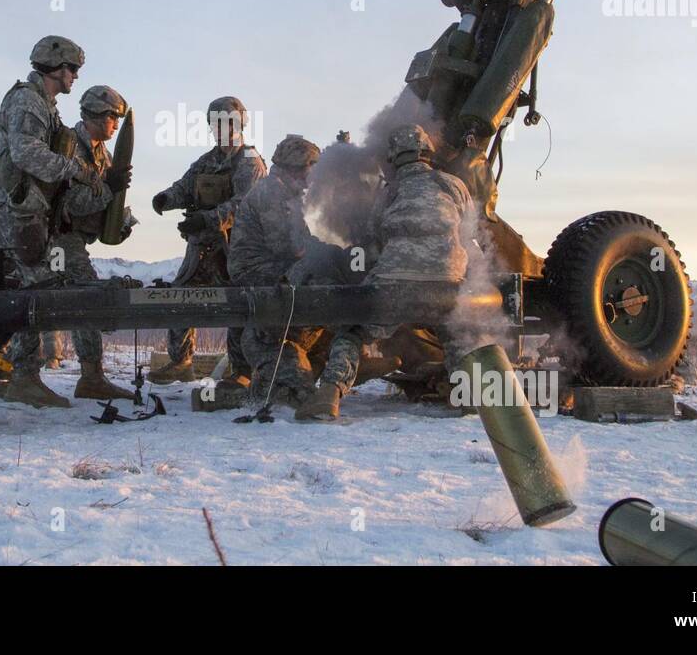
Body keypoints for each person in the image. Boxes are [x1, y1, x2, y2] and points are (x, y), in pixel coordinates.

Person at [295, 124, 472, 420]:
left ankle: (328, 397)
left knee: (353, 331)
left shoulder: (389, 193)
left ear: (394, 158)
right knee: (456, 333)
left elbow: (373, 237)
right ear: (426, 151)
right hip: (448, 282)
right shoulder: (452, 184)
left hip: (394, 285)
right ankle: (468, 397)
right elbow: (468, 230)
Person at [0, 35, 102, 407]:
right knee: (31, 290)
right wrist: (75, 169)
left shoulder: (44, 104)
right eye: (73, 70)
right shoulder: (28, 101)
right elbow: (25, 153)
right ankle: (23, 376)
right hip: (17, 209)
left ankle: (45, 375)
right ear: (57, 68)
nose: (76, 78)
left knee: (42, 284)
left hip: (30, 209)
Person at [8, 84, 136, 400]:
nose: (115, 125)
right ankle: (28, 376)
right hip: (55, 239)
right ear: (95, 114)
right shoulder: (68, 148)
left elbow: (98, 203)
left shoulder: (101, 155)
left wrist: (120, 222)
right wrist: (109, 188)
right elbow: (72, 205)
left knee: (75, 300)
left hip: (73, 240)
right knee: (43, 300)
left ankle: (88, 377)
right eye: (111, 117)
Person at [147, 96, 266, 386]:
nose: (223, 128)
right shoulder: (206, 161)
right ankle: (180, 362)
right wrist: (166, 198)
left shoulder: (250, 160)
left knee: (239, 306)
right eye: (217, 122)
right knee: (180, 297)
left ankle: (242, 372)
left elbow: (246, 204)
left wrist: (208, 219)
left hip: (237, 250)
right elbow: (185, 187)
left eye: (229, 122)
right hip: (203, 248)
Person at [221, 134, 343, 410]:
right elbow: (287, 246)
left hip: (268, 266)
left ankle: (314, 351)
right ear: (299, 166)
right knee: (320, 278)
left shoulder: (282, 191)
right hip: (256, 271)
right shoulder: (272, 192)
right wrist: (330, 253)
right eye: (313, 168)